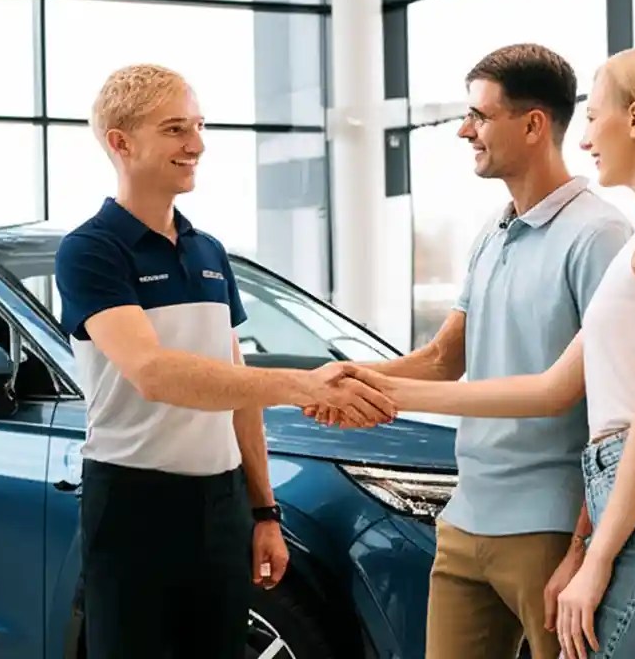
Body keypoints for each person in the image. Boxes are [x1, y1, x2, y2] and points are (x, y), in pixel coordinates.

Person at [336, 45, 635, 659]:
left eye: (593, 116)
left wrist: (591, 557)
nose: (585, 137)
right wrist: (378, 388)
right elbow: (550, 387)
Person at [53, 63, 396, 659]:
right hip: (135, 504)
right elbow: (154, 373)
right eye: (176, 129)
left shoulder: (209, 251)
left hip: (221, 504)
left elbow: (237, 389)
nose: (197, 145)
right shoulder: (90, 251)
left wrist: (263, 510)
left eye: (199, 126)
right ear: (121, 142)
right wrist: (301, 383)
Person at [312, 43, 633, 659]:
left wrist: (583, 549)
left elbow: (614, 409)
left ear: (533, 124)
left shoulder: (601, 235)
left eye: (479, 116)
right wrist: (345, 377)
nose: (465, 130)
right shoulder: (495, 227)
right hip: (465, 517)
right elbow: (442, 358)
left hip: (548, 523)